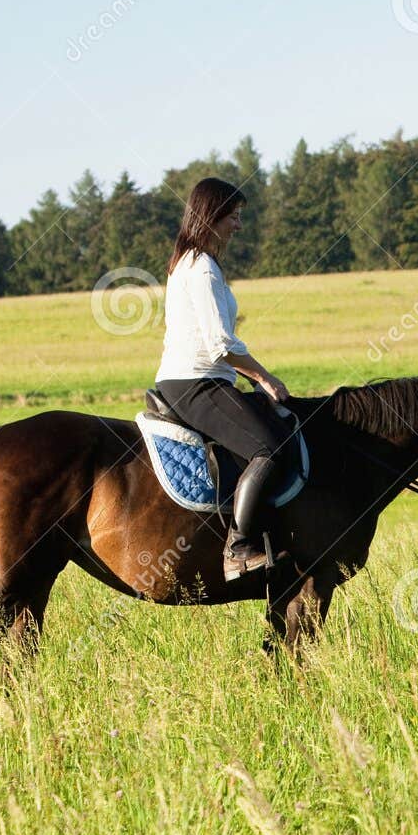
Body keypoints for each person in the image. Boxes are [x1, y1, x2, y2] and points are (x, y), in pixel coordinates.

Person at [153, 177, 294, 581]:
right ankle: (238, 548)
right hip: (196, 383)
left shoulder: (196, 263)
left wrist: (247, 378)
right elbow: (219, 343)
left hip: (204, 379)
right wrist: (263, 377)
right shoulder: (201, 269)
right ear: (211, 217)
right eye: (233, 216)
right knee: (269, 448)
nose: (239, 225)